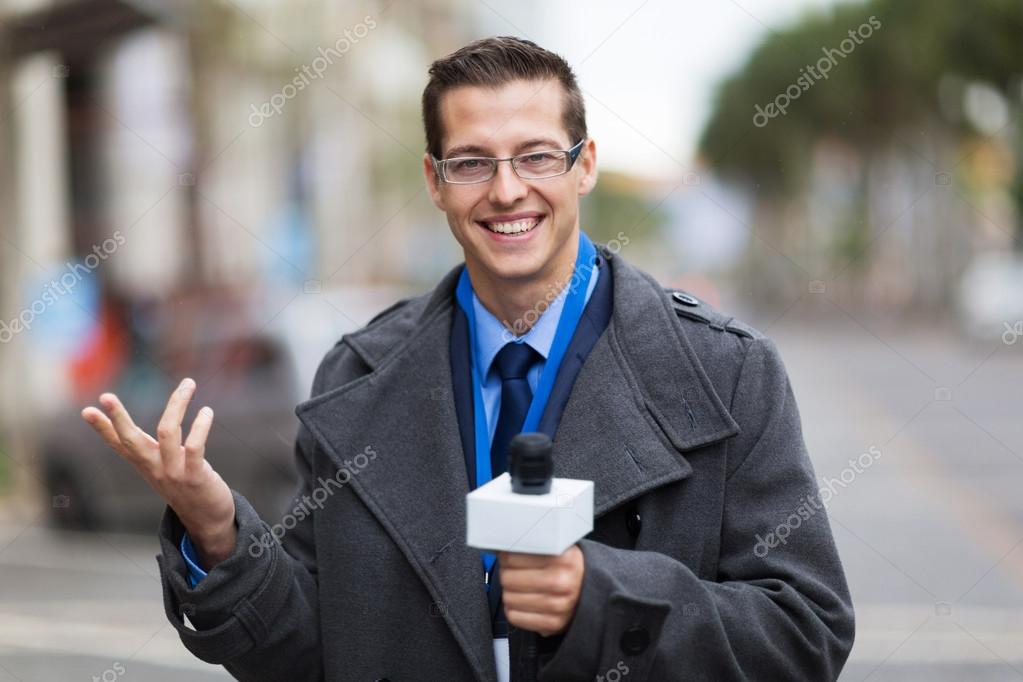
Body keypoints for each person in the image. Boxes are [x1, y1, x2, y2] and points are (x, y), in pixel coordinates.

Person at [81, 36, 854, 682]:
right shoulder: (357, 377)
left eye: (537, 156)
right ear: (435, 182)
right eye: (472, 162)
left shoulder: (727, 373)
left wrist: (602, 596)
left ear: (584, 166)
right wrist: (218, 529)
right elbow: (310, 649)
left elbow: (805, 633)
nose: (507, 190)